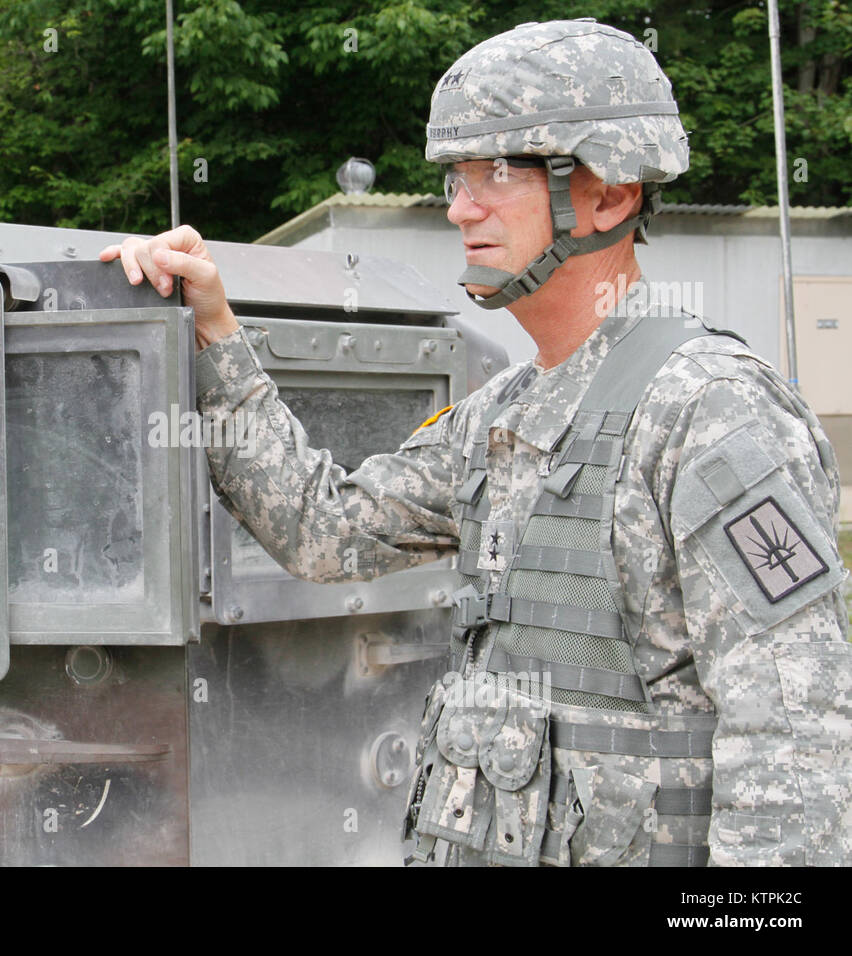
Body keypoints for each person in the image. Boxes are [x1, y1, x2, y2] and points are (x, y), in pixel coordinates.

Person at [100, 18, 851, 866]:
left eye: (496, 175)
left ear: (610, 193)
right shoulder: (507, 412)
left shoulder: (710, 410)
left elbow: (793, 735)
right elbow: (325, 530)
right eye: (456, 179)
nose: (461, 207)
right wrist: (214, 331)